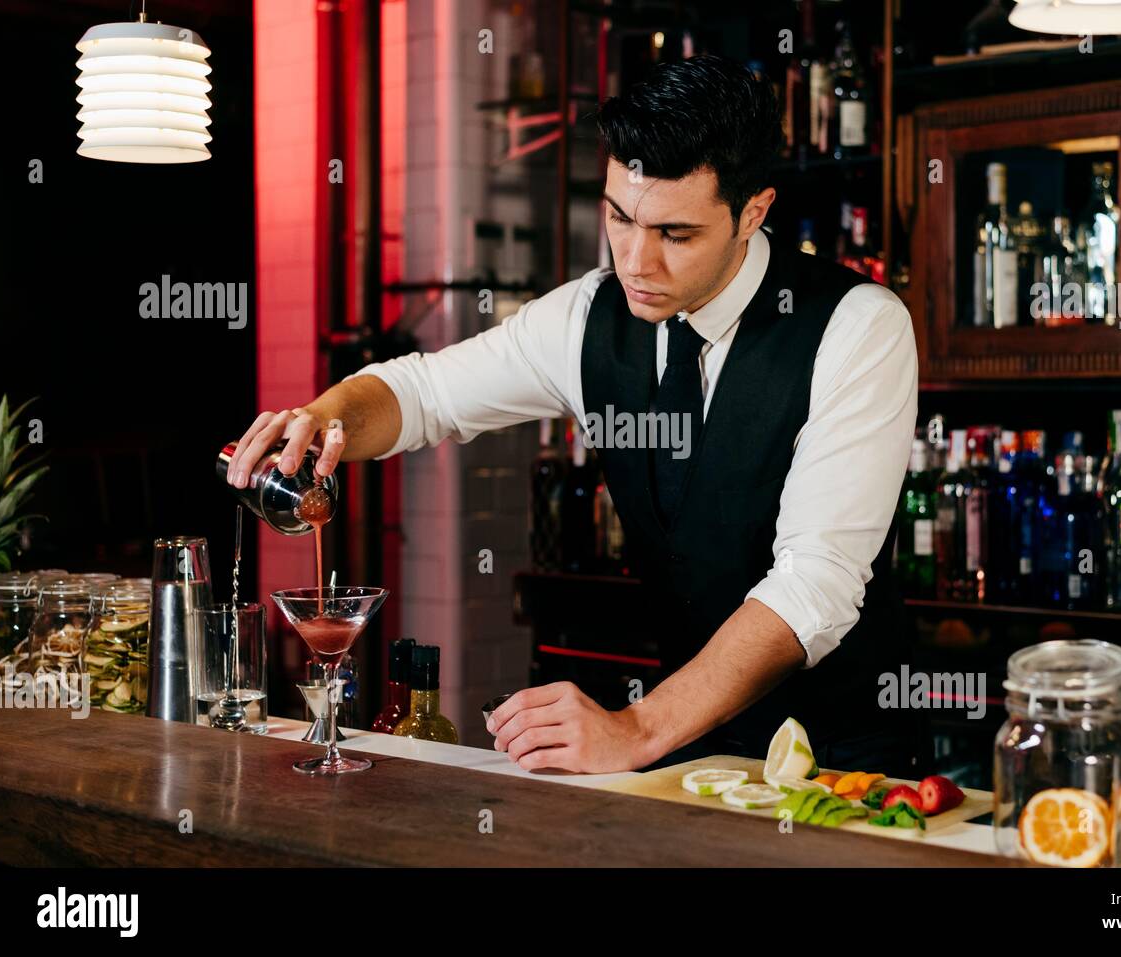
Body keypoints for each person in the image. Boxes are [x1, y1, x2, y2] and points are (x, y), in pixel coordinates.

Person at [226, 55, 918, 776]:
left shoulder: (857, 327)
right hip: (686, 759)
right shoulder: (587, 317)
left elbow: (815, 583)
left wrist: (638, 726)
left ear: (753, 212)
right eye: (620, 217)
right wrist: (321, 416)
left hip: (841, 766)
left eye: (675, 235)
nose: (636, 262)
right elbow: (424, 394)